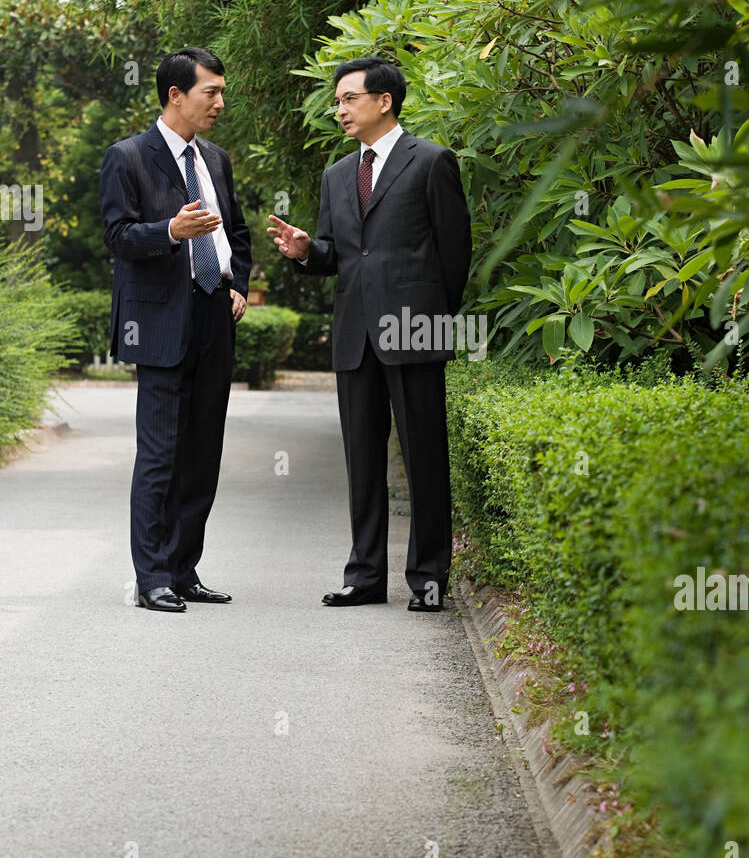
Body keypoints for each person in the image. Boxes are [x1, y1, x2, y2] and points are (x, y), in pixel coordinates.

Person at [268, 56, 472, 612]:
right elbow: (340, 255)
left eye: (349, 99)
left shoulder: (432, 162)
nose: (340, 110)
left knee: (424, 457)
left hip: (414, 333)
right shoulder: (337, 175)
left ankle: (428, 580)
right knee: (362, 460)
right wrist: (307, 251)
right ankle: (363, 577)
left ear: (384, 101)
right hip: (354, 335)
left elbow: (455, 257)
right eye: (337, 101)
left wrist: (432, 320)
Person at [100, 48, 251, 612]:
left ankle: (185, 569)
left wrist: (238, 283)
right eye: (211, 91)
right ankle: (152, 578)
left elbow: (237, 232)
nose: (219, 102)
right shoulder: (128, 157)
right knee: (160, 454)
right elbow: (118, 238)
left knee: (203, 452)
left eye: (221, 90)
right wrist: (170, 229)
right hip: (159, 323)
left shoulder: (216, 159)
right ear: (175, 96)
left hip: (216, 314)